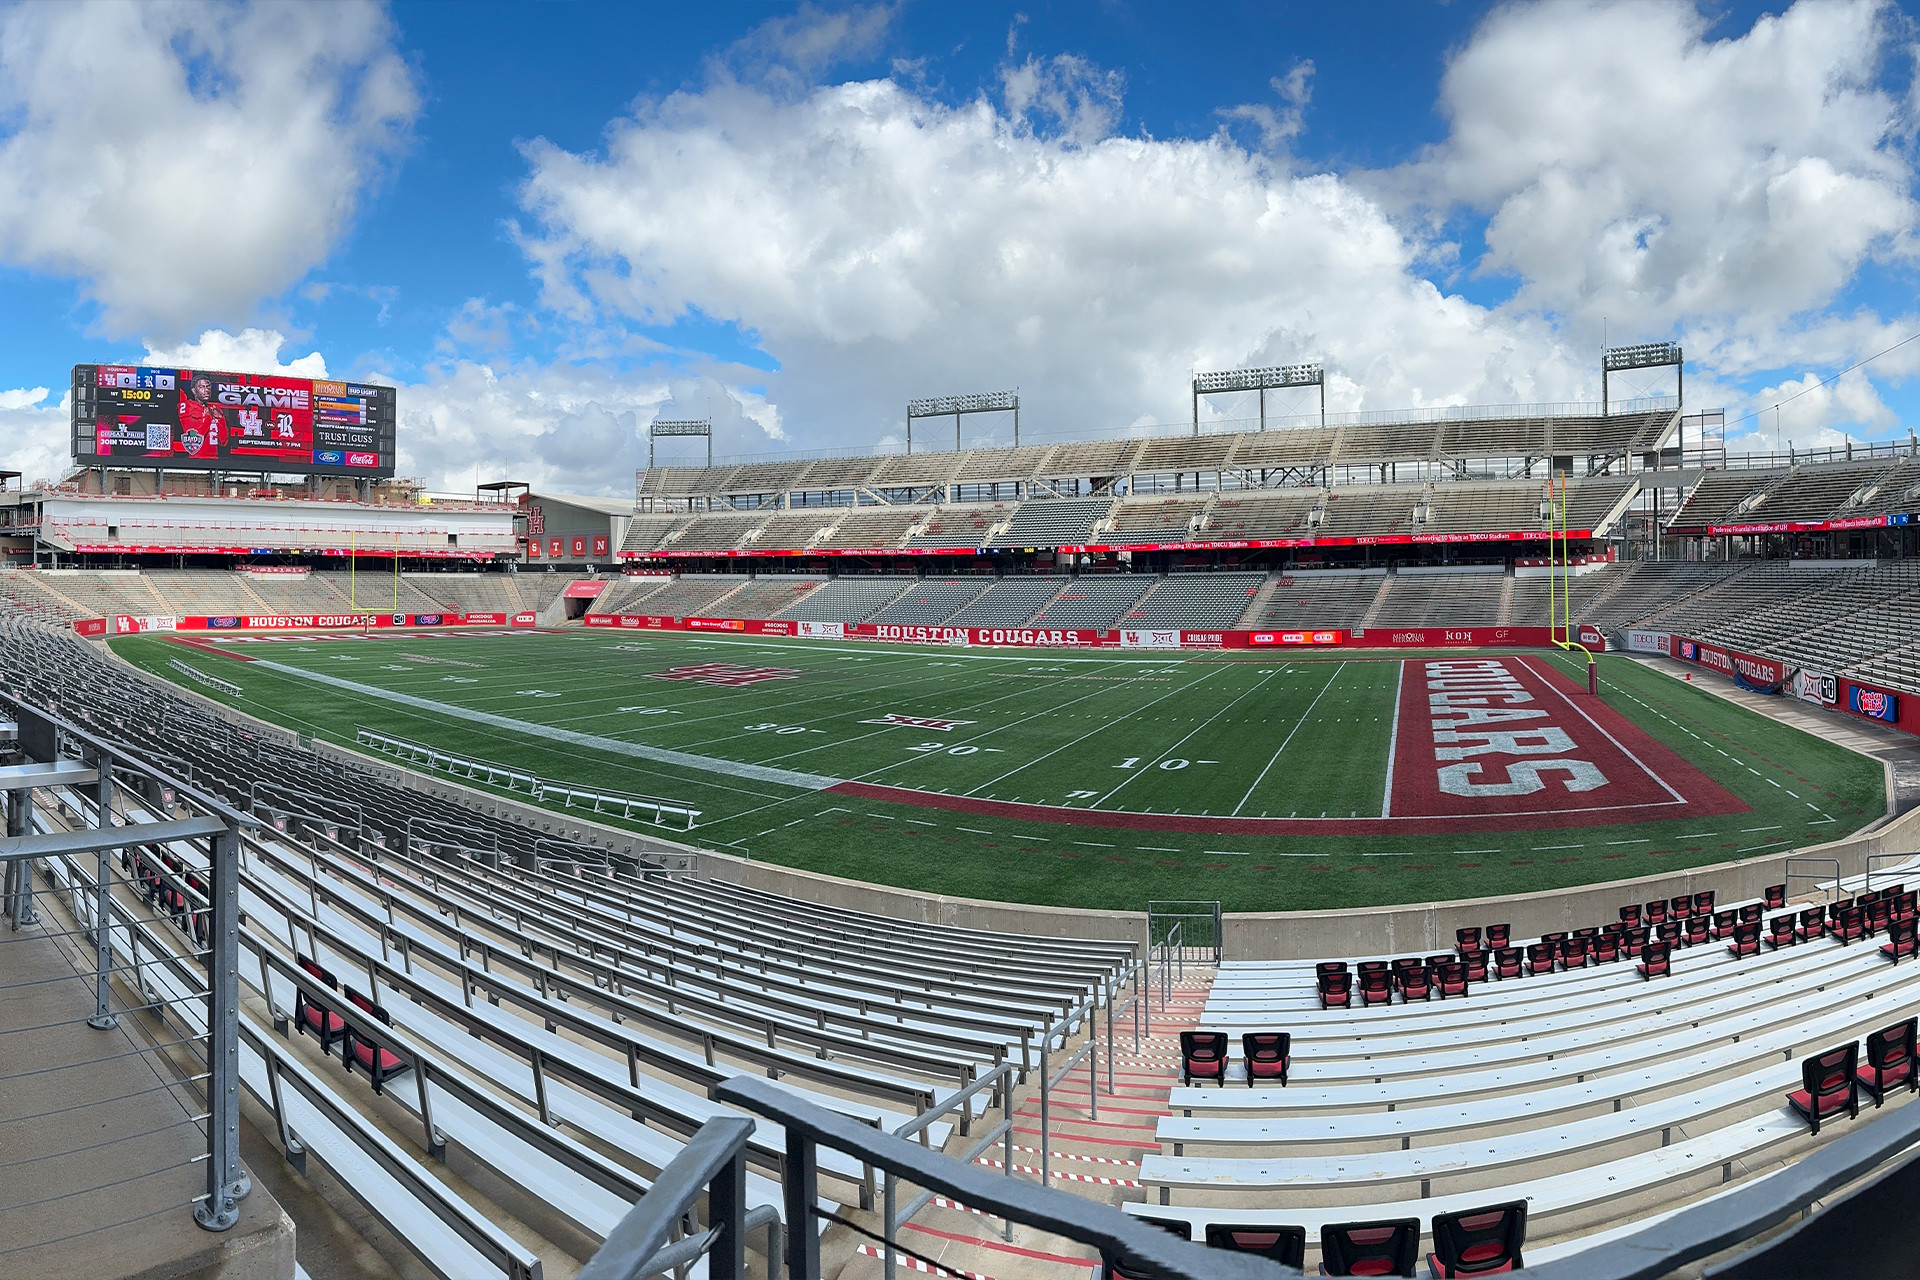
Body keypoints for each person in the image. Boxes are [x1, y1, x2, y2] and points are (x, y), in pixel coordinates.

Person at [176, 373, 225, 460]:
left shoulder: (215, 409)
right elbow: (194, 439)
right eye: (202, 387)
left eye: (208, 387)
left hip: (214, 460)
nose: (206, 390)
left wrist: (221, 419)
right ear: (194, 390)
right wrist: (208, 417)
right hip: (196, 459)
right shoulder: (188, 406)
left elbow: (223, 442)